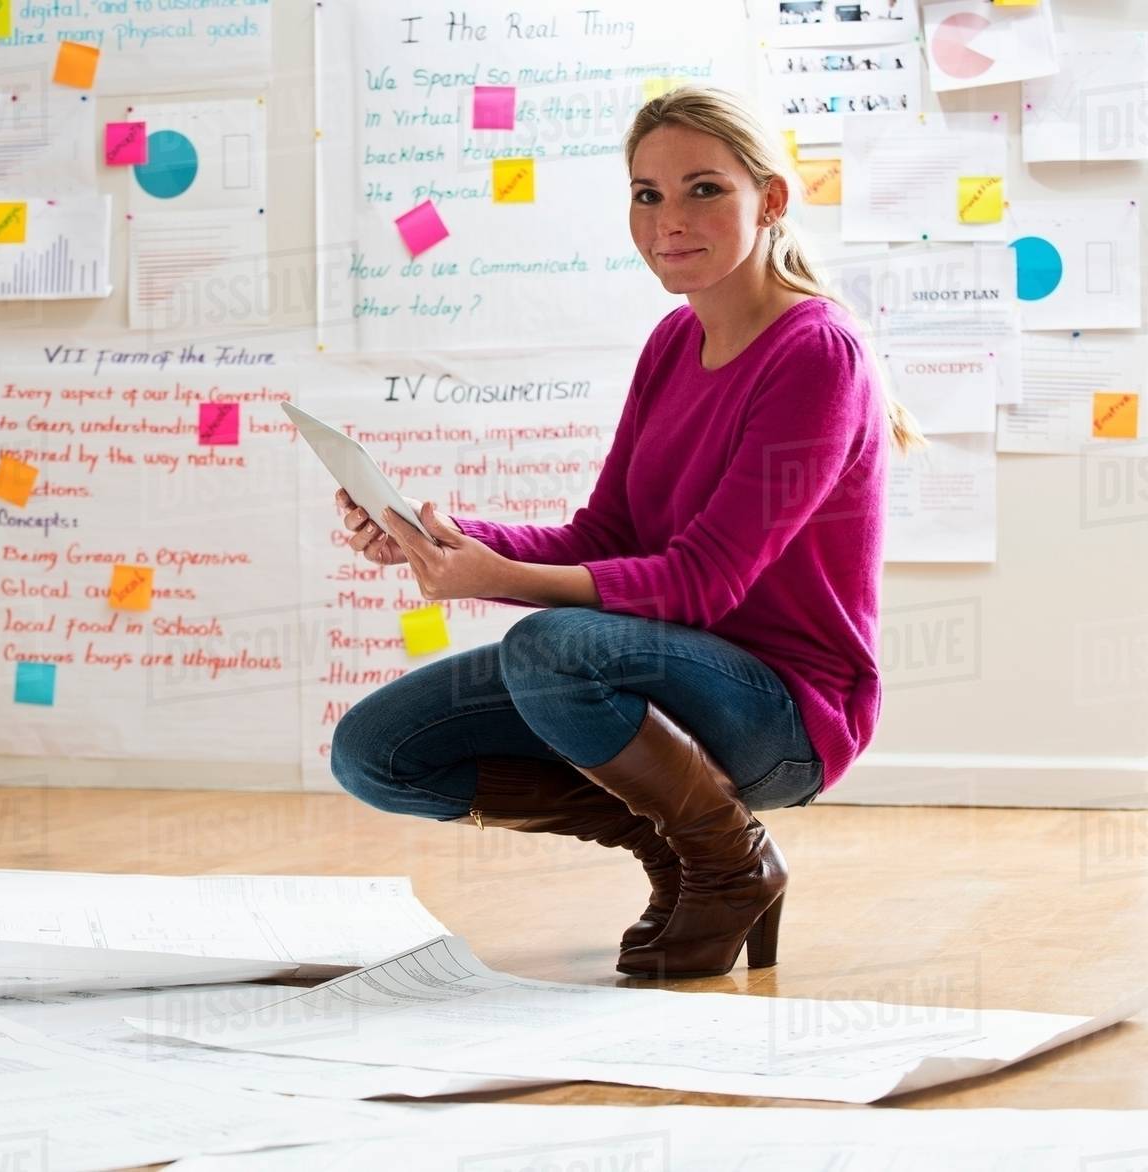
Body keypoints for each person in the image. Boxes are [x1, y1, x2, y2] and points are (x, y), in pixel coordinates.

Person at [330, 86, 927, 980]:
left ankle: (730, 865)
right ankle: (681, 848)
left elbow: (702, 584)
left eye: (702, 190)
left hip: (785, 711)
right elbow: (605, 531)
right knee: (377, 751)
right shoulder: (670, 345)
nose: (667, 222)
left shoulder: (817, 353)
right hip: (662, 676)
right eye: (647, 195)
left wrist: (496, 579)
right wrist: (440, 537)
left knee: (551, 648)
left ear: (769, 201)